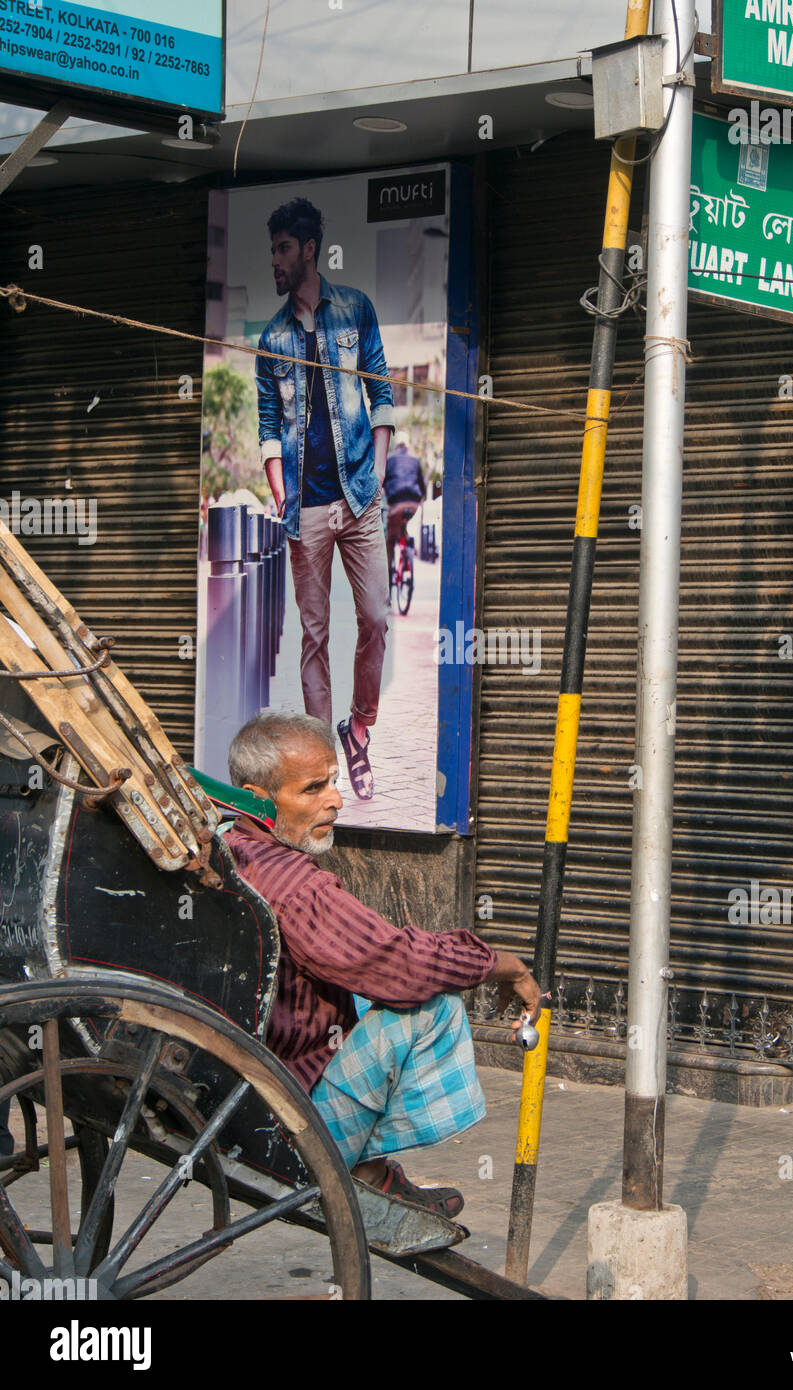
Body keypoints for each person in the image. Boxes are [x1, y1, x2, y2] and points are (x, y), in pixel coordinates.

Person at [223, 711, 542, 1214]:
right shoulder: (294, 885)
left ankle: (369, 1170)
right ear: (259, 797)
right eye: (311, 789)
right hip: (285, 1113)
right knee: (430, 1003)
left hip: (253, 1078)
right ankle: (363, 1166)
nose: (334, 799)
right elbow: (401, 964)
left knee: (359, 987)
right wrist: (504, 965)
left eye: (332, 781)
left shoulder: (230, 845)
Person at [256, 197, 395, 800]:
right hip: (305, 508)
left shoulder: (355, 310)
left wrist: (381, 471)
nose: (275, 262)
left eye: (283, 249)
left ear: (309, 250)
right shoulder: (270, 337)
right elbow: (267, 423)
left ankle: (358, 727)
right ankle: (325, 764)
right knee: (313, 637)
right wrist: (282, 492)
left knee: (376, 619)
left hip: (361, 495)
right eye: (271, 251)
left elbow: (382, 390)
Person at [382, 436, 426, 580]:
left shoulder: (389, 459)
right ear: (407, 446)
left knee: (390, 540)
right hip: (413, 503)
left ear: (396, 447)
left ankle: (388, 573)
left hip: (396, 503)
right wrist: (421, 499)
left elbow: (383, 480)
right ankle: (406, 550)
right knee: (403, 525)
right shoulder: (415, 459)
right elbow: (421, 484)